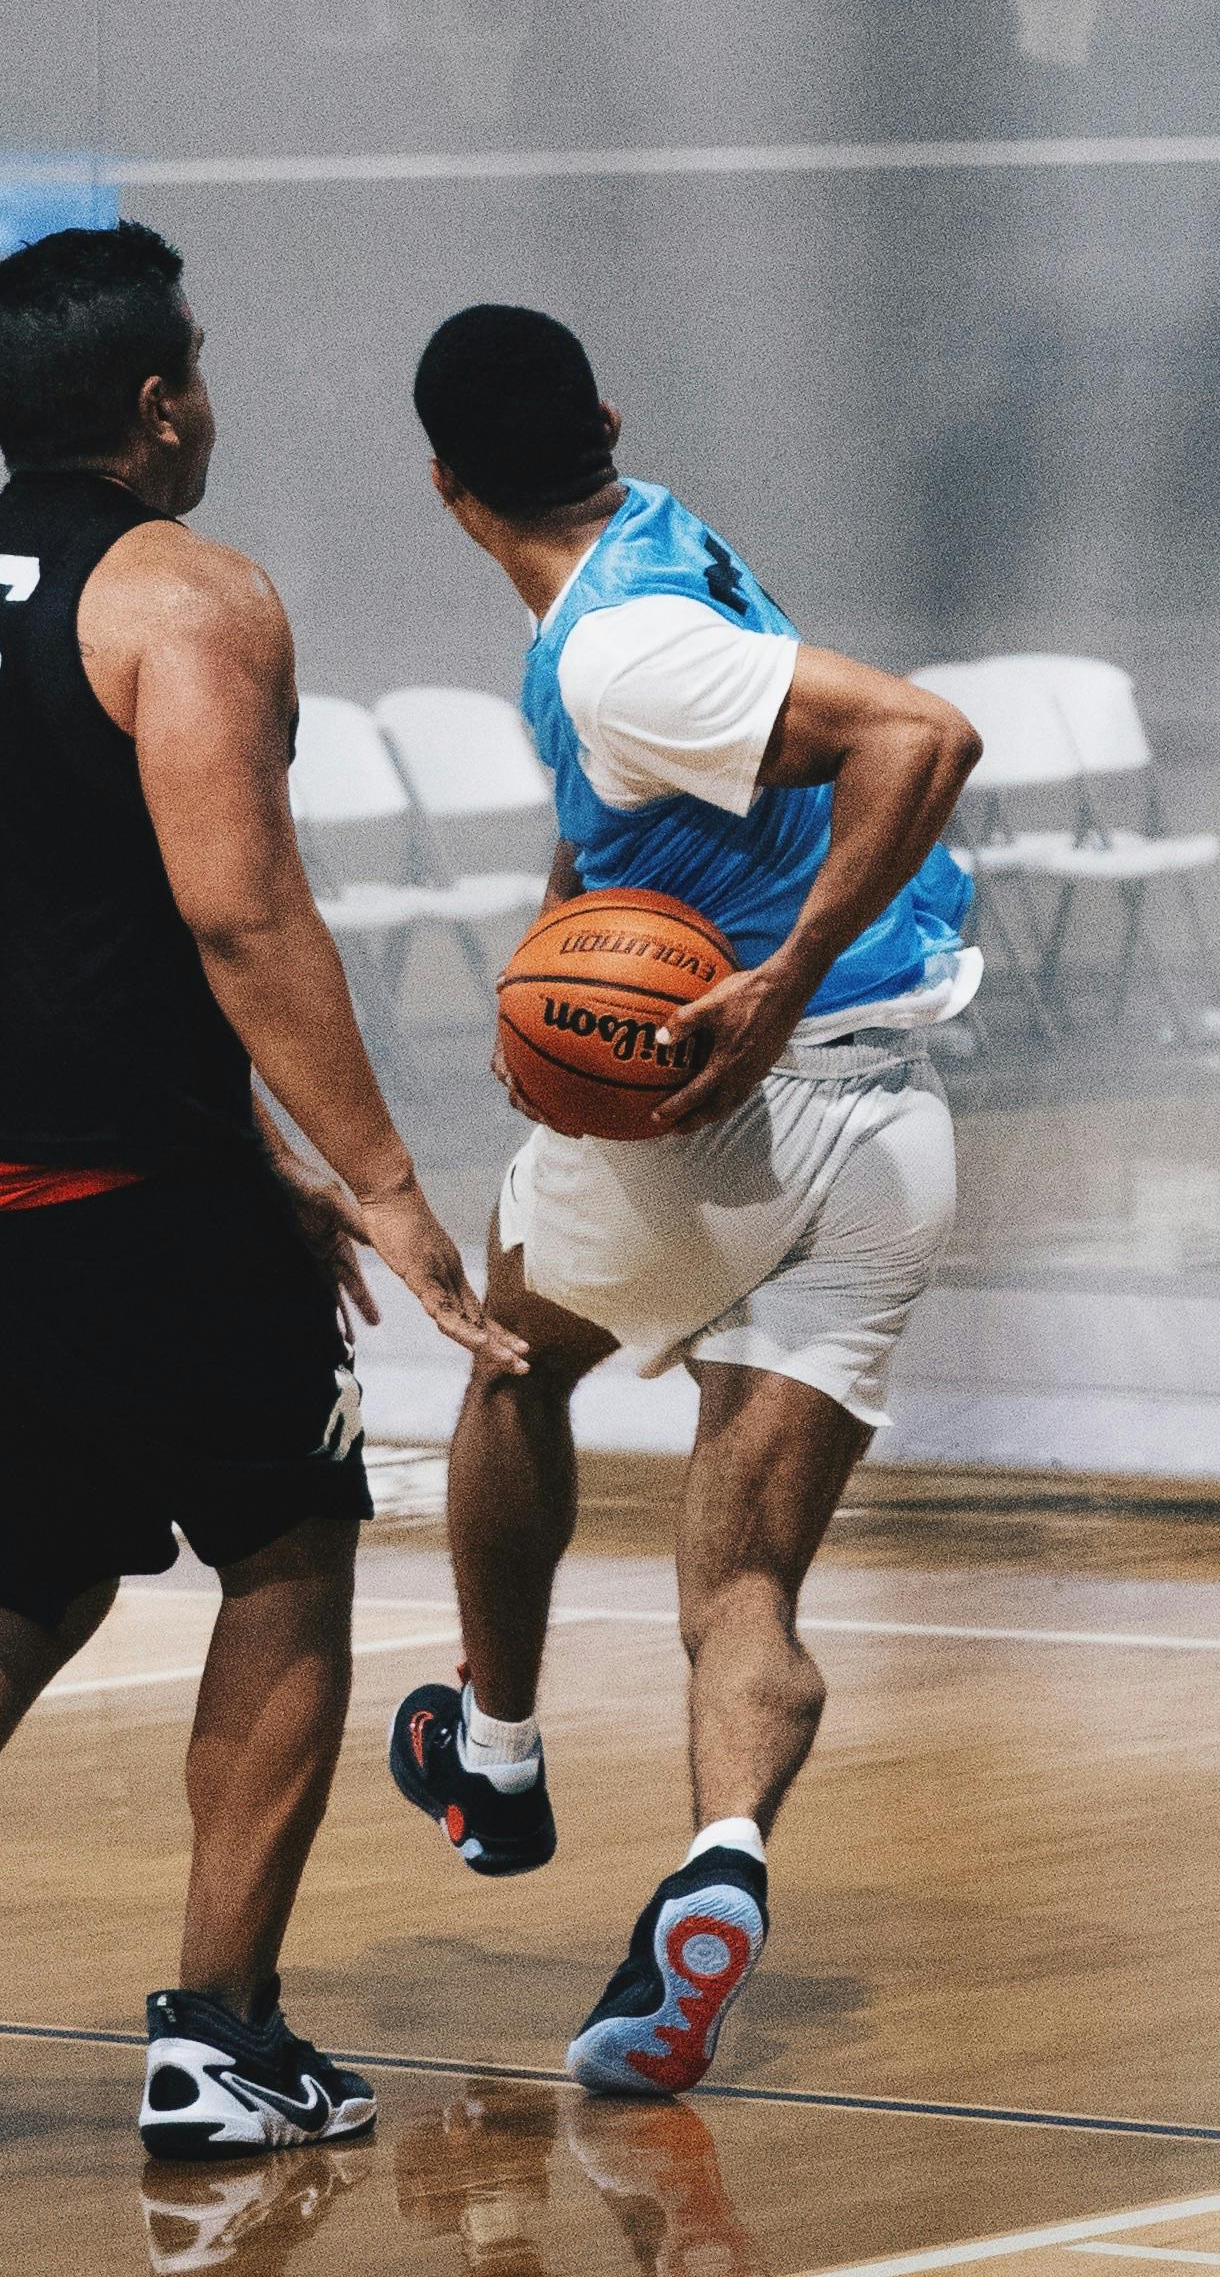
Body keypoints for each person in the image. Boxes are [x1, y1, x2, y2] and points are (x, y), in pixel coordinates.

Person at [0, 224, 505, 2156]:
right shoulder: (188, 593)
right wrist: (386, 1182)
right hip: (95, 1180)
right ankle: (222, 2036)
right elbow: (236, 911)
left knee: (22, 1574)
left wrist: (247, 1156)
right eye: (197, 367)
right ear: (157, 403)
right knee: (288, 1538)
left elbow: (38, 931)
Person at [382, 305, 982, 2097]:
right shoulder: (657, 546)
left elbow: (924, 736)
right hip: (890, 1129)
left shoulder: (614, 646)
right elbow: (633, 806)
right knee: (743, 1586)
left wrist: (775, 983)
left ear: (445, 486)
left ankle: (494, 1752)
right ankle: (719, 1863)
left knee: (507, 1356)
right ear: (608, 417)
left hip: (720, 1103)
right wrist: (548, 944)